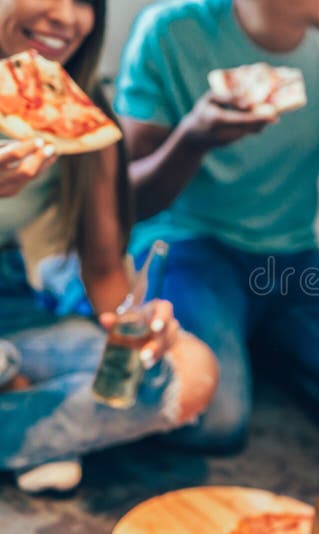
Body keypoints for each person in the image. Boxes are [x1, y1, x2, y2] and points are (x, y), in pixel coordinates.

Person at [114, 0, 319, 499]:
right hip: (190, 241)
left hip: (293, 257)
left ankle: (247, 335)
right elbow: (126, 201)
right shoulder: (172, 31)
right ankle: (237, 335)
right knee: (211, 421)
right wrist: (193, 138)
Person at [0, 0, 218, 493]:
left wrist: (138, 326)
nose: (66, 16)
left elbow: (103, 273)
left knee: (190, 370)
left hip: (13, 309)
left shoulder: (79, 111)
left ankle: (23, 410)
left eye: (84, 1)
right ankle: (35, 424)